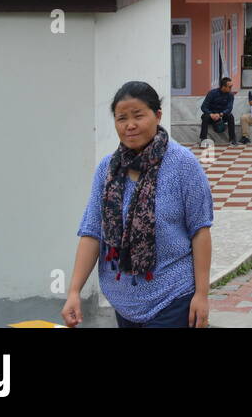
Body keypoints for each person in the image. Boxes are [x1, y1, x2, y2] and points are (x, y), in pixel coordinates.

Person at [61, 81, 213, 328]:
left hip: (172, 297)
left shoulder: (183, 165)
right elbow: (92, 233)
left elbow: (200, 231)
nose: (130, 125)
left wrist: (202, 295)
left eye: (138, 116)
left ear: (158, 116)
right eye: (121, 118)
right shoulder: (107, 170)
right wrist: (74, 292)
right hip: (124, 304)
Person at [199, 77, 237, 145]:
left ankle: (232, 139)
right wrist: (211, 114)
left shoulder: (230, 95)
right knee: (205, 117)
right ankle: (203, 139)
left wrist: (221, 114)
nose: (231, 88)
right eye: (230, 87)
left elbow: (229, 108)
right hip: (211, 115)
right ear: (223, 87)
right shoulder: (212, 93)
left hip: (222, 115)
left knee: (230, 116)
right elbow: (203, 107)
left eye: (231, 86)